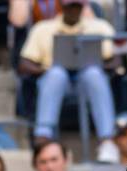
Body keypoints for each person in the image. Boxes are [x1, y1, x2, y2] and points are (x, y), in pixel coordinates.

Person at [18, 0, 119, 162]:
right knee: (56, 74)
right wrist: (46, 69)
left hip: (87, 83)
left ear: (84, 6)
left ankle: (107, 140)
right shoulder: (42, 28)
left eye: (77, 6)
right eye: (69, 6)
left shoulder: (100, 27)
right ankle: (43, 135)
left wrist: (97, 64)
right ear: (61, 6)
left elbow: (116, 60)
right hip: (57, 84)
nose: (73, 10)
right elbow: (24, 64)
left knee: (93, 73)